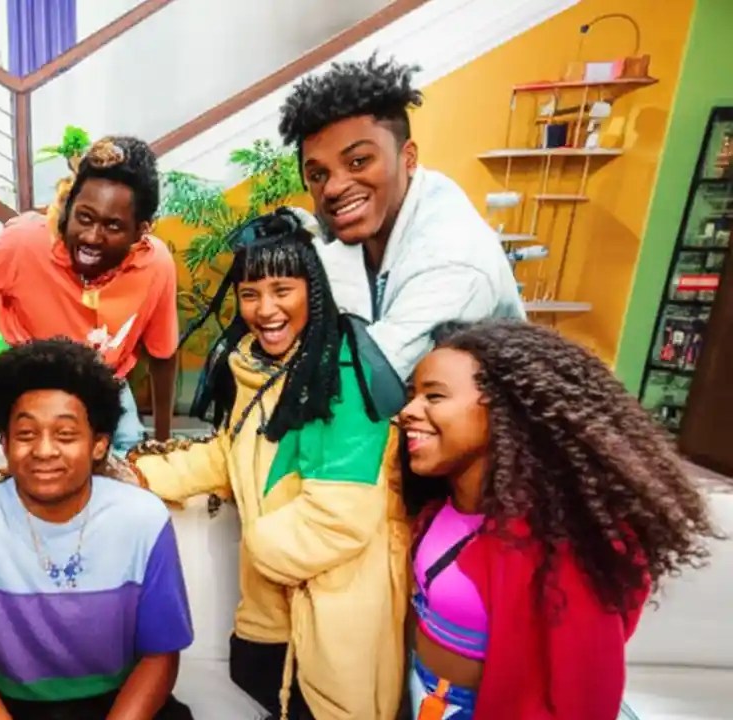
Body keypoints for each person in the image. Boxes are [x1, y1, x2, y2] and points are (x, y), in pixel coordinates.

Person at [127, 209, 407, 720]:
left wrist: (257, 545)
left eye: (283, 290)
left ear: (313, 291)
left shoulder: (340, 376)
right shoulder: (262, 367)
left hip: (332, 620)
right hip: (268, 616)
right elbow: (231, 452)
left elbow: (338, 518)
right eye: (250, 294)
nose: (265, 309)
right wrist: (137, 475)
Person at [398, 320, 716, 719]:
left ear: (505, 409)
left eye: (435, 396)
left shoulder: (559, 541)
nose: (408, 411)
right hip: (425, 695)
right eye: (412, 396)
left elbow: (584, 693)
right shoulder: (438, 506)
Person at [0, 338, 194, 720]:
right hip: (3, 704)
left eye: (65, 435)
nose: (44, 451)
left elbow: (161, 656)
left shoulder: (143, 519)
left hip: (117, 702)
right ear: (5, 443)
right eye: (26, 435)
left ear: (99, 444)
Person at [279, 54, 525, 379]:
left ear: (407, 157)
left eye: (358, 162)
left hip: (488, 425)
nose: (334, 188)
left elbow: (366, 383)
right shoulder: (360, 223)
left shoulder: (452, 259)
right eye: (318, 175)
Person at [0, 136, 179, 456]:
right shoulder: (26, 243)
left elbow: (162, 354)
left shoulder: (157, 264)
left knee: (129, 460)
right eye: (84, 217)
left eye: (112, 226)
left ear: (141, 231)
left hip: (107, 384)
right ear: (69, 205)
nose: (92, 237)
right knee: (49, 472)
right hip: (33, 385)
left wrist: (162, 442)